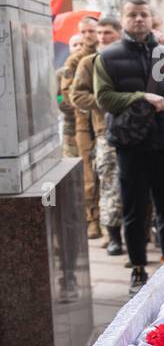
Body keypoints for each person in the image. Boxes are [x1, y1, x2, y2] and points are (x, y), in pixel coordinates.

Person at [93, 0, 164, 295]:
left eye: (143, 15)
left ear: (152, 19)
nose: (138, 19)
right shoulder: (108, 57)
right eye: (132, 15)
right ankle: (137, 269)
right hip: (131, 145)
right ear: (123, 20)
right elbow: (104, 99)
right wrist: (140, 97)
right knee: (135, 210)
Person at [71, 17, 124, 255]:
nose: (102, 37)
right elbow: (76, 96)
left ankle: (142, 234)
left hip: (139, 132)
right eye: (99, 33)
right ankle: (112, 235)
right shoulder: (88, 63)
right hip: (106, 132)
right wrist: (105, 101)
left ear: (119, 34)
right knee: (109, 185)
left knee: (138, 185)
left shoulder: (131, 59)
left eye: (108, 33)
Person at [61, 17, 102, 236]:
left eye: (92, 30)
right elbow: (67, 94)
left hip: (104, 122)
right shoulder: (74, 60)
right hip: (84, 124)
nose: (88, 35)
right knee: (88, 174)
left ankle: (108, 221)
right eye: (84, 31)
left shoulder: (107, 55)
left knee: (107, 171)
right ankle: (92, 219)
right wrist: (95, 101)